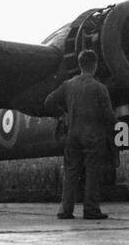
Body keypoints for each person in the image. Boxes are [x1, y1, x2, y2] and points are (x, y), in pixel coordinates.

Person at [45, 49, 117, 220]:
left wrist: (63, 114)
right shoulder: (100, 88)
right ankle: (91, 210)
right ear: (95, 66)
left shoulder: (68, 85)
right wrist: (119, 126)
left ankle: (65, 210)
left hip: (73, 135)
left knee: (70, 172)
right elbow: (108, 115)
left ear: (79, 64)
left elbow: (48, 102)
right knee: (93, 172)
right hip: (93, 135)